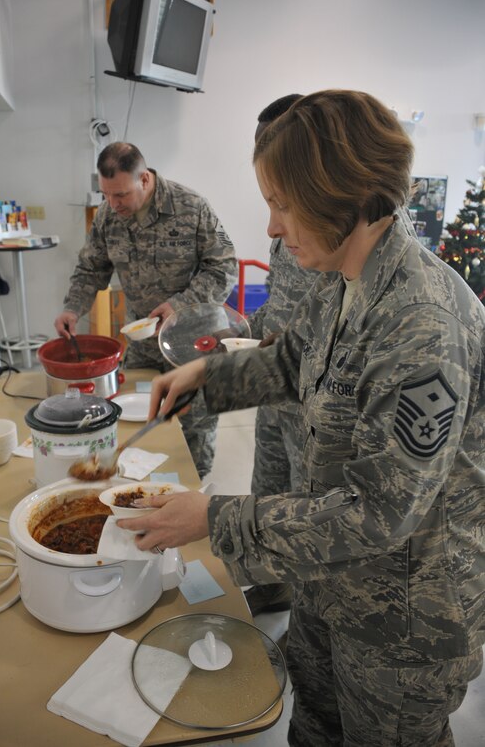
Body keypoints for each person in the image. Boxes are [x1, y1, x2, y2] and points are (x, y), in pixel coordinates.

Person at [118, 90, 485, 746]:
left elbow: (378, 514)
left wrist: (214, 518)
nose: (271, 228)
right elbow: (294, 356)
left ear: (341, 197)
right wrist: (207, 377)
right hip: (330, 576)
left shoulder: (423, 328)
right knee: (313, 723)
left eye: (281, 204)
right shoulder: (344, 276)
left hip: (404, 616)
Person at [54, 142, 237, 478]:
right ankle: (145, 484)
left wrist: (178, 305)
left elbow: (224, 267)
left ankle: (193, 492)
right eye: (106, 194)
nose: (112, 203)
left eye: (121, 194)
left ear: (144, 180)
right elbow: (91, 267)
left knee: (194, 425)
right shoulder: (109, 216)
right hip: (143, 340)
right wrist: (72, 308)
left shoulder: (190, 206)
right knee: (137, 418)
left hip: (193, 341)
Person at [246, 94, 318, 617]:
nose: (272, 224)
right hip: (275, 393)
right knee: (267, 487)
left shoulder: (336, 251)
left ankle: (300, 595)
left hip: (309, 410)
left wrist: (207, 519)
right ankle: (271, 585)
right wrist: (243, 334)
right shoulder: (289, 238)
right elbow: (279, 308)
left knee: (300, 503)